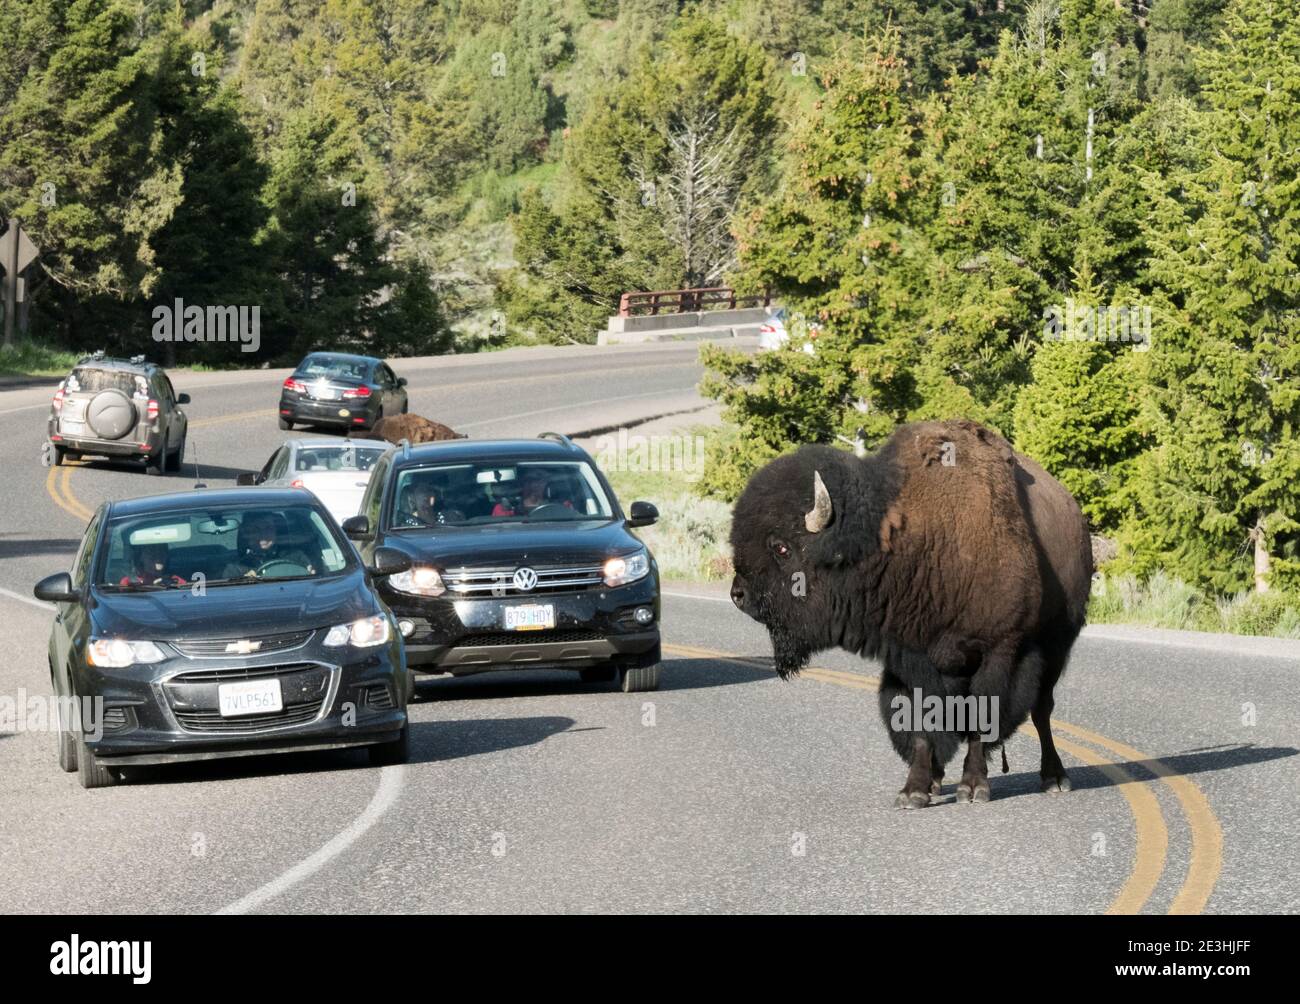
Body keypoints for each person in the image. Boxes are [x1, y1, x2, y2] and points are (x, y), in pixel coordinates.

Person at [222, 512, 316, 578]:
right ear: (246, 534)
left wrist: (311, 574)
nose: (263, 534)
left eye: (268, 528)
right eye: (255, 530)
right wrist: (243, 583)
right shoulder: (235, 568)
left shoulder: (296, 557)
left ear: (276, 531)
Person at [119, 541, 186, 587]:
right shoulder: (128, 582)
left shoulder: (175, 581)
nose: (158, 557)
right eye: (151, 552)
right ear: (140, 557)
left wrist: (170, 586)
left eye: (161, 551)